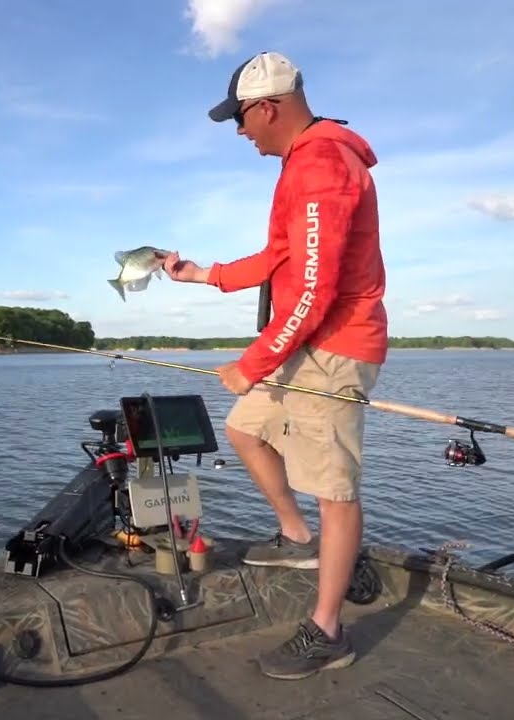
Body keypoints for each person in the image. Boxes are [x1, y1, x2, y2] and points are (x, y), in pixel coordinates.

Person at [162, 50, 388, 681]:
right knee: (244, 428)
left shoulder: (319, 164)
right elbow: (281, 255)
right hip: (303, 344)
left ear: (268, 108)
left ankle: (328, 632)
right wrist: (203, 274)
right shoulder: (300, 166)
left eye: (240, 118)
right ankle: (297, 538)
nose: (239, 131)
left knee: (335, 490)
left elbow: (315, 288)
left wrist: (255, 360)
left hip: (333, 348)